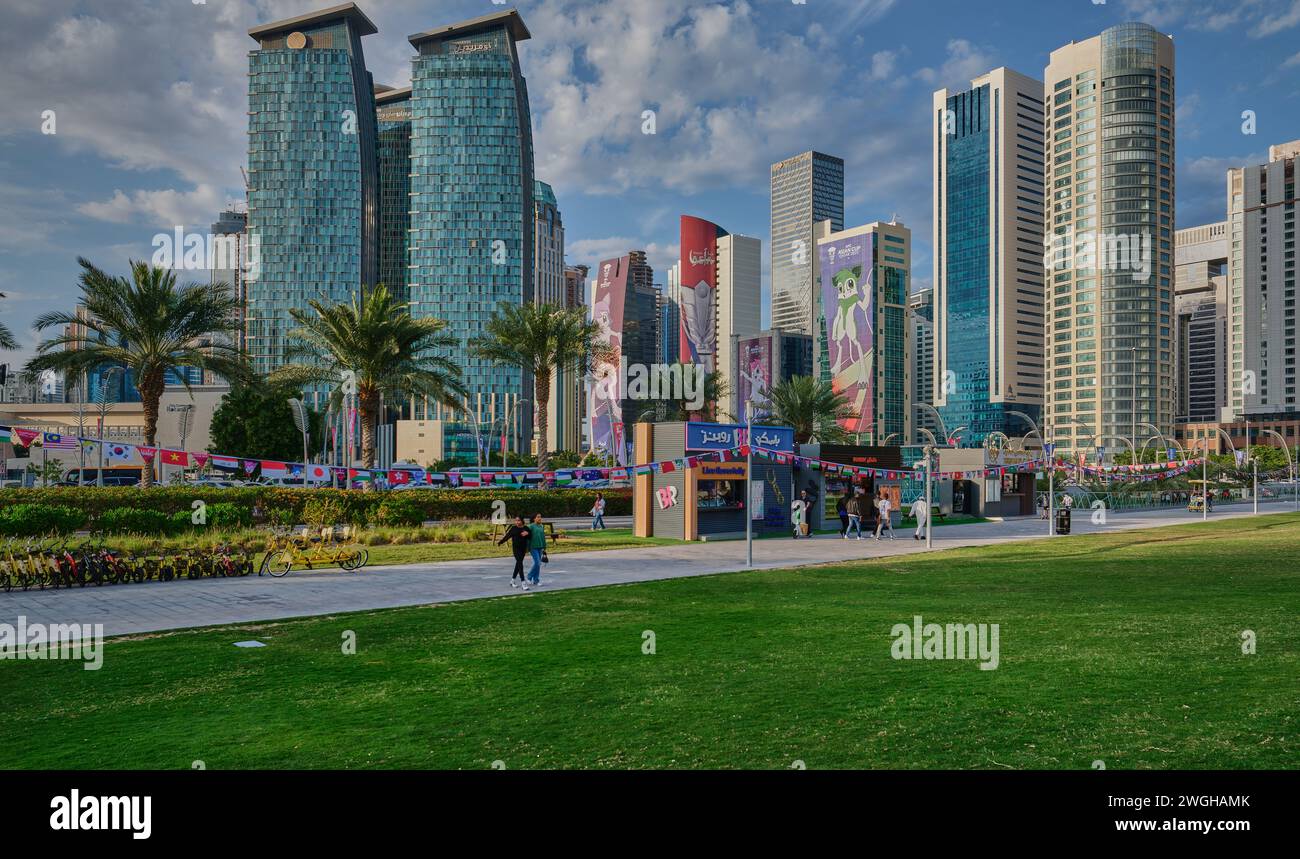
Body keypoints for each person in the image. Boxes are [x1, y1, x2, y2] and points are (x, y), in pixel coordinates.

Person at [496, 515, 532, 590]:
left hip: (523, 549)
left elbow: (531, 536)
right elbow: (507, 536)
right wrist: (500, 542)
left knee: (518, 565)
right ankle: (523, 583)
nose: (517, 522)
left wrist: (527, 534)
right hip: (516, 549)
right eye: (516, 520)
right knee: (520, 564)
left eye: (518, 520)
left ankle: (512, 581)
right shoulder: (513, 529)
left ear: (522, 521)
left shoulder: (526, 528)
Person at [527, 513, 547, 586]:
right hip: (533, 547)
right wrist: (527, 548)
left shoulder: (541, 526)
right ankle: (529, 577)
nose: (540, 518)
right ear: (534, 518)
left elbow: (543, 537)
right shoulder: (530, 526)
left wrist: (544, 547)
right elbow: (527, 538)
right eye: (538, 517)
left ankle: (536, 580)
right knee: (537, 563)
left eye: (540, 517)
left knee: (538, 564)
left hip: (540, 547)